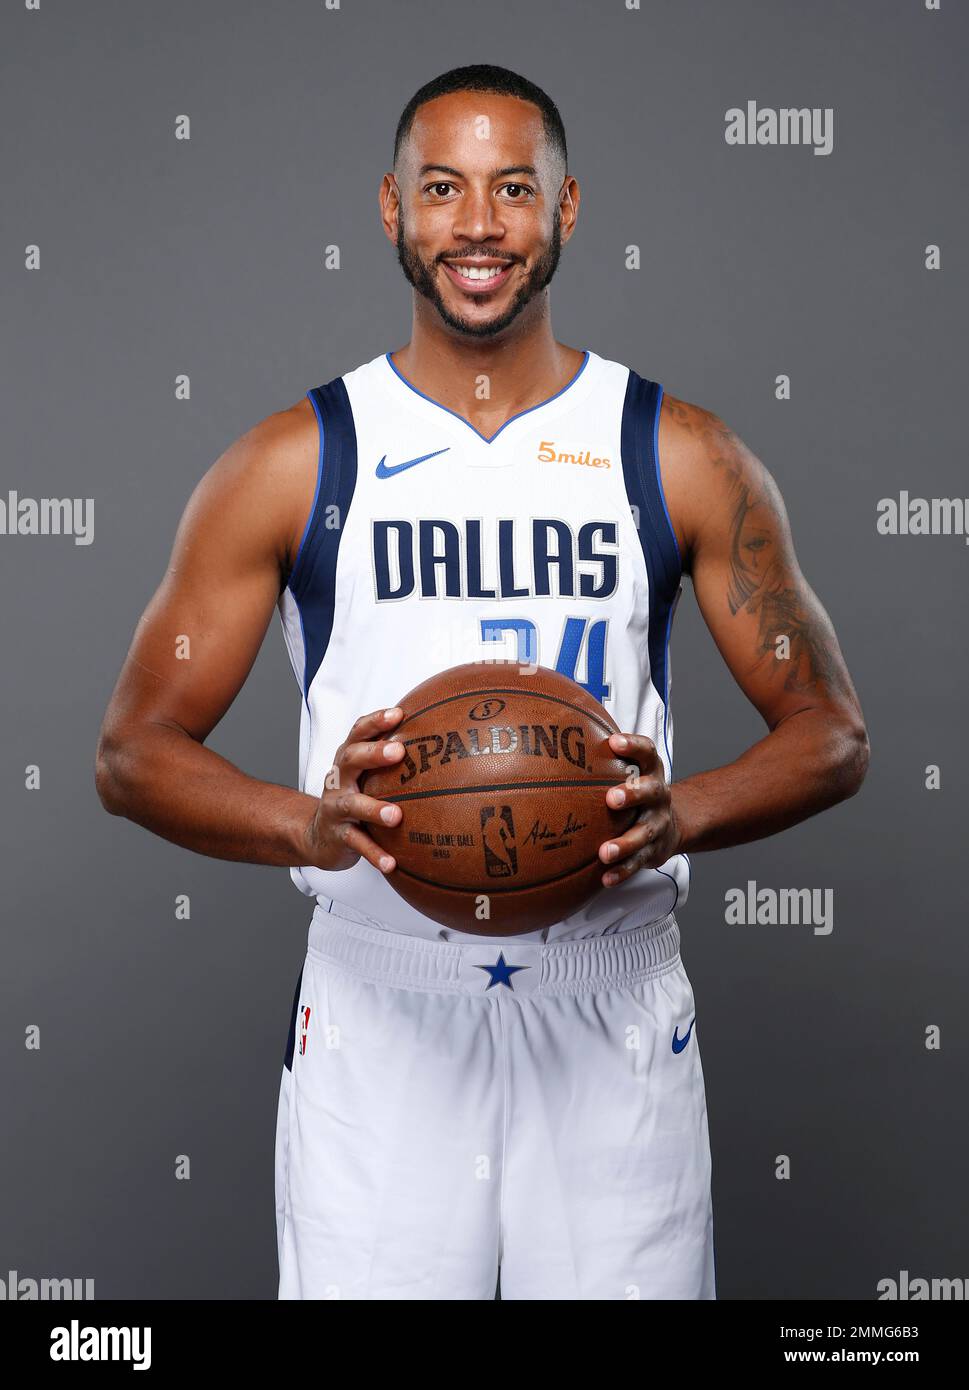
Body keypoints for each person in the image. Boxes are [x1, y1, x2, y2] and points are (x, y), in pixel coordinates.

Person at [95, 64, 869, 1300]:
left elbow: (832, 733)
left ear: (567, 207)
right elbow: (132, 750)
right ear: (391, 207)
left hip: (608, 998)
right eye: (443, 188)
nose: (478, 225)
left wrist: (683, 812)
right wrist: (308, 824)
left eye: (514, 189)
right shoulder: (300, 461)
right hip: (381, 1004)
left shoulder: (673, 452)